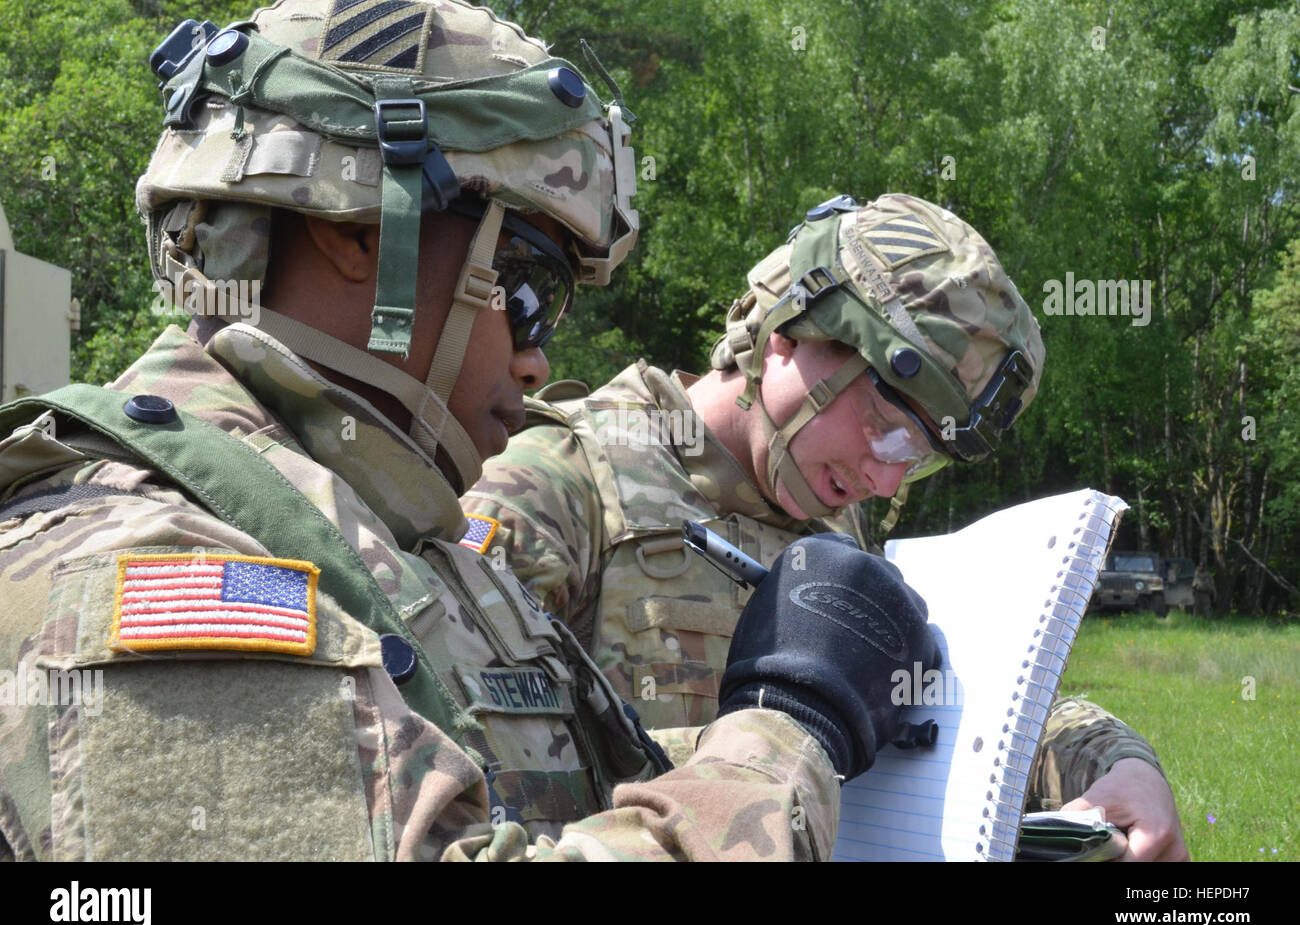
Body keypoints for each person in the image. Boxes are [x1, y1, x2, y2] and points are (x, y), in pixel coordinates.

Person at [0, 0, 940, 861]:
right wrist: (783, 736)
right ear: (359, 231)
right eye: (527, 287)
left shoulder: (402, 538)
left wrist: (826, 714)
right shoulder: (146, 565)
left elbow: (524, 792)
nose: (535, 361)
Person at [463, 193, 1190, 860]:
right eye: (887, 430)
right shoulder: (555, 486)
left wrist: (1114, 757)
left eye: (920, 460)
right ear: (789, 333)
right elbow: (482, 802)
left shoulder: (834, 527)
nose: (885, 480)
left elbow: (970, 713)